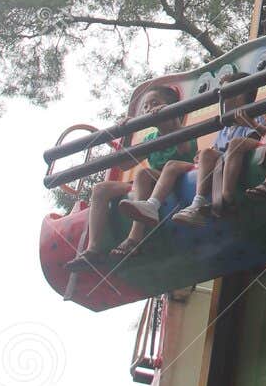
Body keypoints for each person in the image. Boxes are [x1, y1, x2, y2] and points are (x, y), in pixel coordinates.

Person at [67, 85, 193, 268]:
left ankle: (134, 238)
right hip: (152, 180)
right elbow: (125, 164)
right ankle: (92, 250)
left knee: (143, 173)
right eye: (146, 107)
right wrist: (126, 133)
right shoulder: (151, 138)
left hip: (176, 176)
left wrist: (172, 119)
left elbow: (184, 149)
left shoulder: (183, 130)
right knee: (100, 189)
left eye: (155, 104)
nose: (149, 109)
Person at [174, 78, 262, 225]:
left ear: (240, 95)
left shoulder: (254, 116)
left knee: (234, 144)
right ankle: (198, 202)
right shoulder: (225, 128)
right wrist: (203, 156)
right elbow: (216, 149)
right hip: (226, 156)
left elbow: (256, 138)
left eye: (225, 94)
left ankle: (227, 198)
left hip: (244, 153)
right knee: (206, 153)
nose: (221, 100)